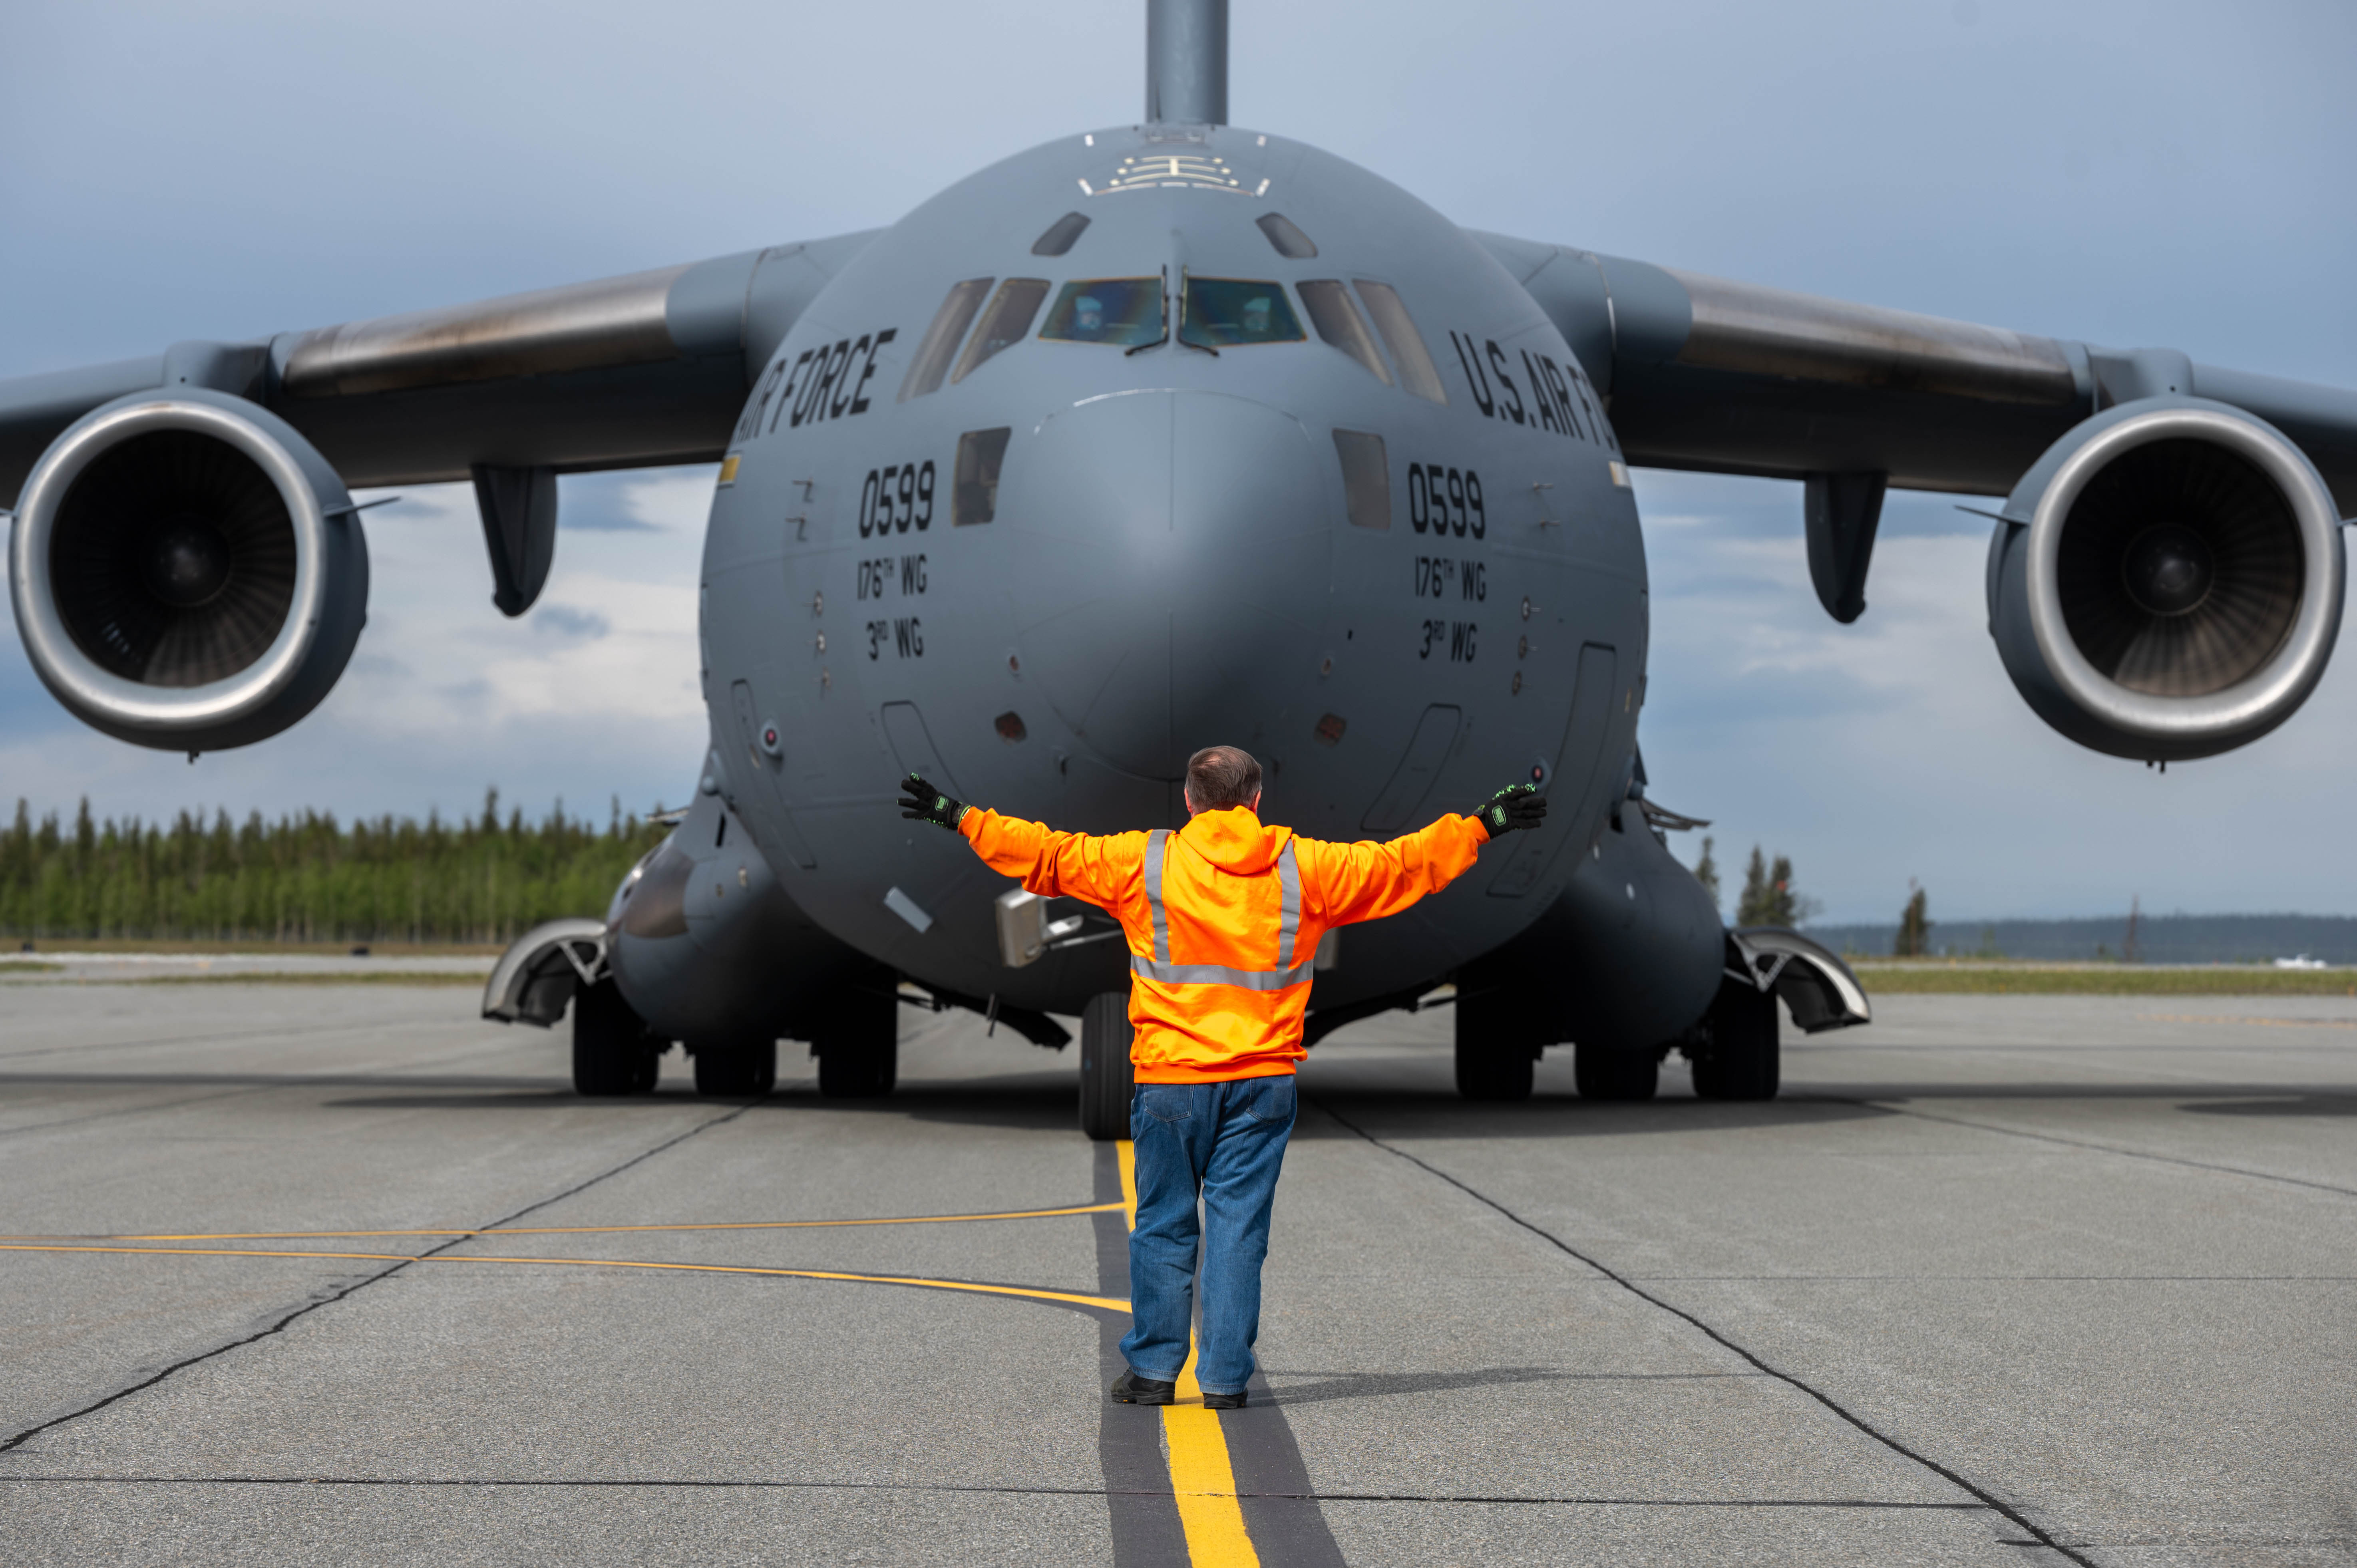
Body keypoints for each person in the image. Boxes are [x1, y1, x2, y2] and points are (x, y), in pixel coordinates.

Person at [897, 747, 1545, 1409]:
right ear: (1257, 799)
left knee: (1164, 1225)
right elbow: (1402, 866)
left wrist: (960, 816)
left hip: (1172, 1080)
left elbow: (1047, 855)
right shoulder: (1304, 867)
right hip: (1262, 1083)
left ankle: (1153, 1372)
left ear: (1189, 800)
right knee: (1238, 1230)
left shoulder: (1144, 863)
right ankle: (1226, 1379)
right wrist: (1484, 824)